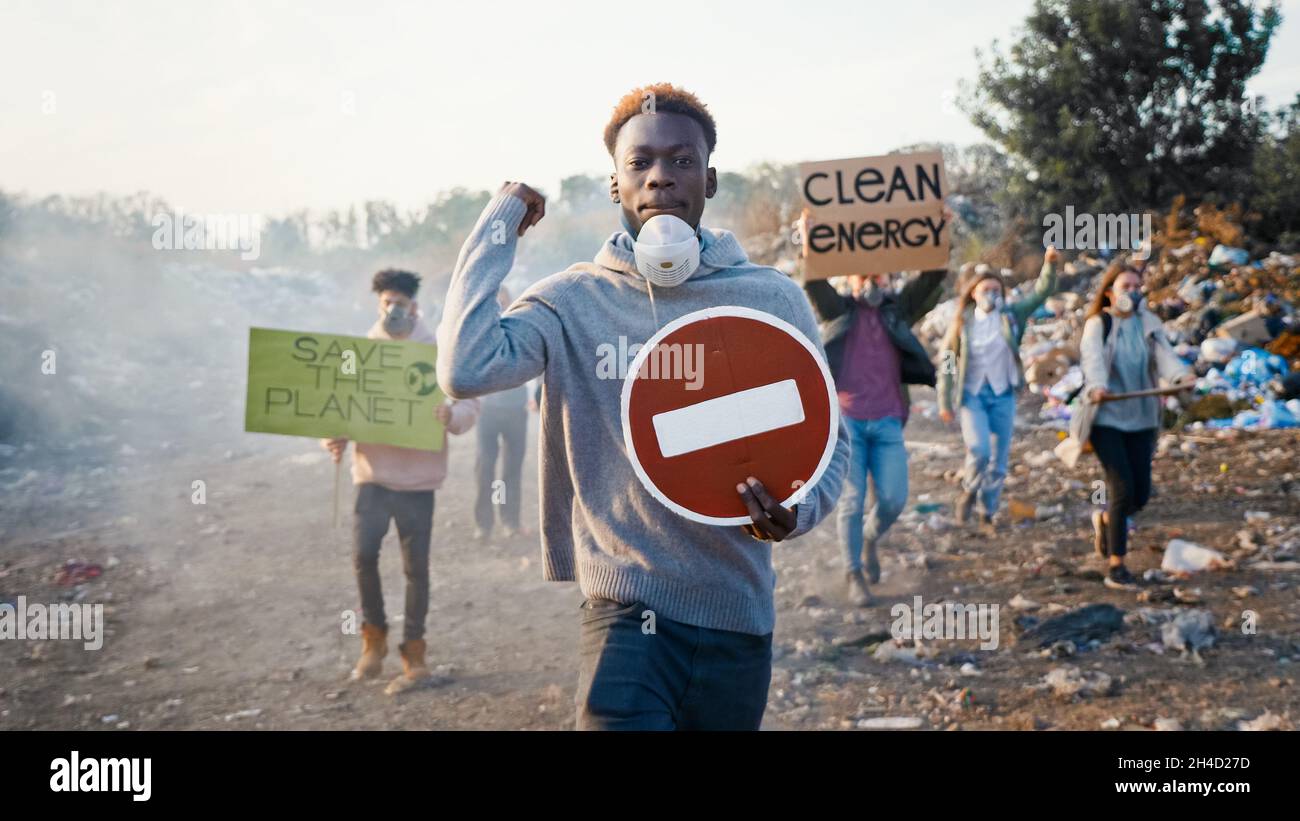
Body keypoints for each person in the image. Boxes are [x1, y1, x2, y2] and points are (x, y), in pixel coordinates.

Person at [436, 83, 849, 730]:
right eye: (641, 163)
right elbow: (465, 368)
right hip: (625, 609)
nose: (661, 177)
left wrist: (798, 511)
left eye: (682, 161)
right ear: (615, 184)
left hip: (739, 613)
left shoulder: (771, 298)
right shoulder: (571, 300)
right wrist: (499, 223)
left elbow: (828, 437)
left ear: (709, 179)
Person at [322, 269, 481, 694]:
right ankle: (373, 639)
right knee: (363, 556)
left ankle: (414, 651)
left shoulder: (438, 350)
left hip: (418, 481)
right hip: (371, 476)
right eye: (386, 302)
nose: (393, 309)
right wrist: (334, 435)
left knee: (417, 571)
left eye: (400, 302)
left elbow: (469, 402)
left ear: (413, 305)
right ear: (379, 305)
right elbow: (342, 406)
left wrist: (452, 417)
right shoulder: (362, 351)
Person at [803, 262, 947, 606]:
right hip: (848, 421)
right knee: (851, 502)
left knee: (894, 498)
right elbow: (814, 279)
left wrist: (940, 234)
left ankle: (869, 538)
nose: (870, 279)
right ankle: (854, 575)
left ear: (889, 277)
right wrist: (811, 242)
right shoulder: (839, 311)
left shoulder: (898, 311)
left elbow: (933, 275)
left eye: (877, 273)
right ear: (850, 277)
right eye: (863, 272)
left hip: (887, 420)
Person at [1078, 264, 1192, 589]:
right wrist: (1097, 386)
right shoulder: (1098, 323)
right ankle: (1116, 565)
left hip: (1142, 417)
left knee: (1140, 495)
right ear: (1110, 292)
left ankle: (1104, 520)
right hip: (1107, 417)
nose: (1131, 291)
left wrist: (1180, 378)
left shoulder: (1149, 323)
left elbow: (1165, 356)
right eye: (1125, 285)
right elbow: (1092, 359)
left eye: (1136, 286)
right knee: (1122, 488)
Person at [937, 249, 1059, 530]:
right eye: (986, 289)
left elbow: (1041, 293)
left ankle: (986, 512)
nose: (991, 294)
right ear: (974, 293)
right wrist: (944, 400)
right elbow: (946, 363)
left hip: (1003, 394)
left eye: (996, 289)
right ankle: (968, 488)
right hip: (972, 396)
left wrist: (1050, 266)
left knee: (999, 461)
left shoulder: (1011, 316)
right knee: (979, 451)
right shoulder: (962, 324)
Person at [472, 286, 532, 542]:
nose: (499, 306)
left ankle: (510, 521)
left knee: (511, 470)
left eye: (503, 301)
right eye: (494, 302)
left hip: (516, 408)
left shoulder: (520, 329)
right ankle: (483, 524)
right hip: (487, 409)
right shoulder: (478, 333)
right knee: (485, 467)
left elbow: (536, 358)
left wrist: (538, 396)